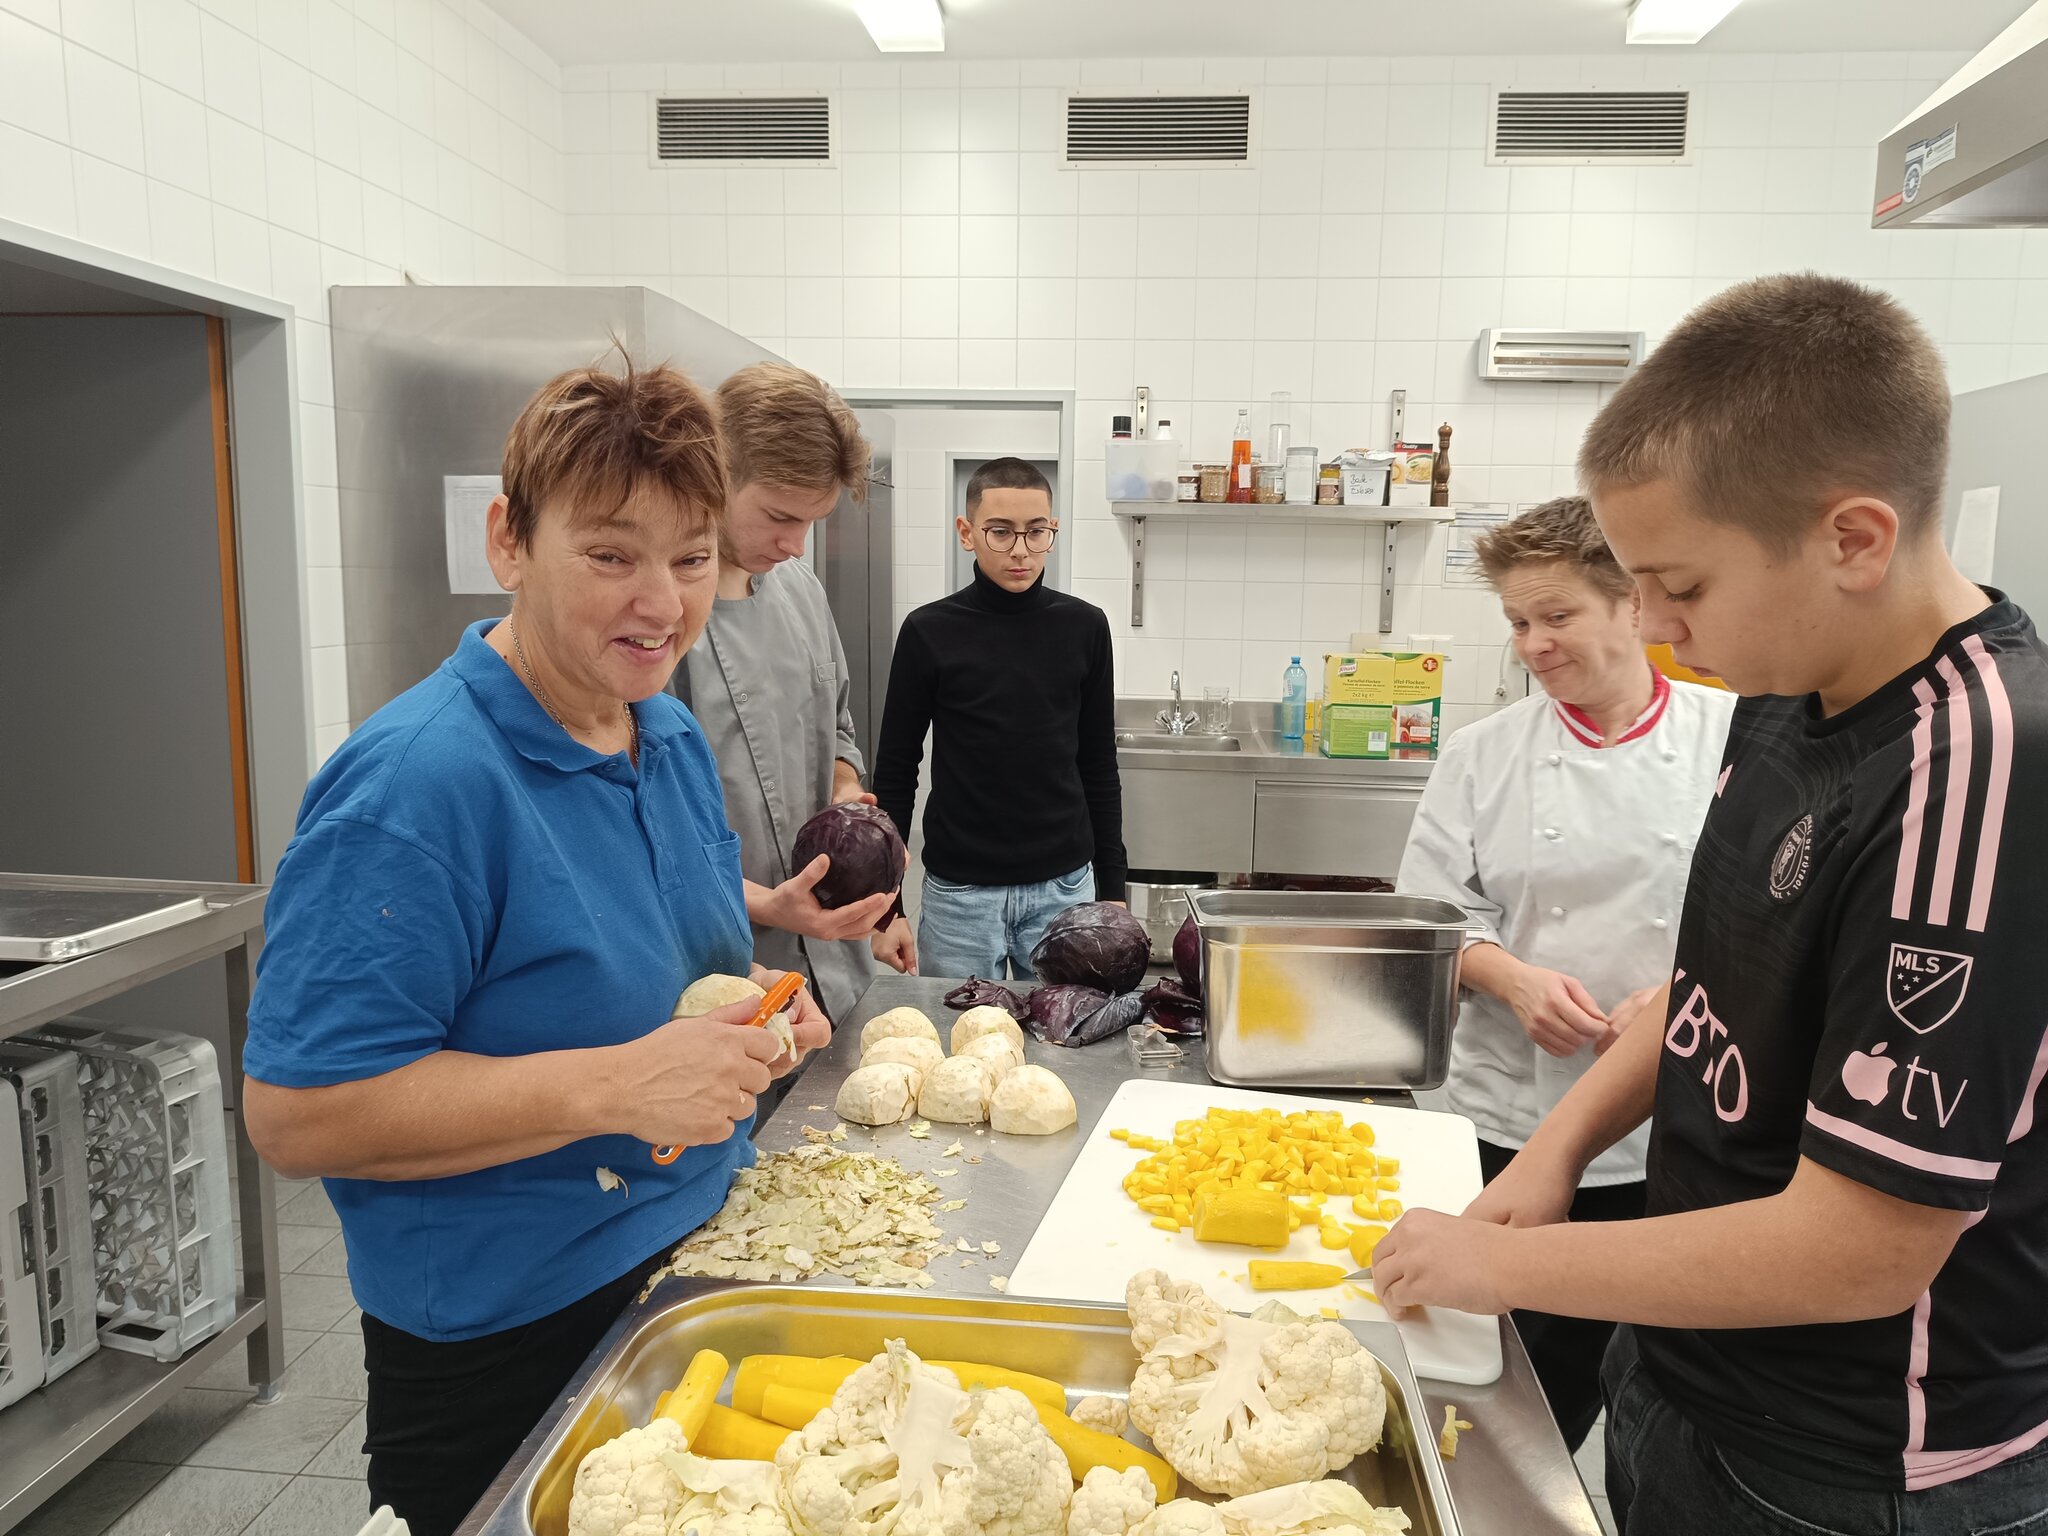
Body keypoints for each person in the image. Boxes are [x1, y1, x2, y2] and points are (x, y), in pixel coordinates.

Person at [1373, 274, 2048, 1534]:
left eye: (1677, 586)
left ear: (1850, 539)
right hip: (1687, 1371)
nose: (1660, 629)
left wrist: (1508, 1265)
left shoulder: (1980, 767)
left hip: (1848, 1467)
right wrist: (1561, 1151)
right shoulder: (1785, 702)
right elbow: (1713, 991)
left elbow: (1864, 1249)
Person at [240, 358, 830, 1536]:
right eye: (610, 555)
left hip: (681, 1265)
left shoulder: (656, 731)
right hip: (505, 1338)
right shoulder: (418, 787)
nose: (660, 601)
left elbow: (651, 966)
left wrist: (761, 1005)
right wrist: (623, 1084)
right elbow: (298, 1115)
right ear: (509, 540)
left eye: (691, 557)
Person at [1395, 494, 1735, 1453]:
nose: (1533, 645)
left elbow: (1764, 925)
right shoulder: (1483, 754)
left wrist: (1675, 998)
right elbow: (1431, 917)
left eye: (1556, 616)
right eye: (1516, 622)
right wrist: (1512, 980)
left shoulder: (1735, 735)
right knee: (1489, 1369)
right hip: (1508, 1115)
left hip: (1674, 1122)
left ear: (1631, 605)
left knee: (1628, 1371)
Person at [673, 362, 914, 1031]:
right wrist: (767, 904)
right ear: (714, 471)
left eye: (812, 521)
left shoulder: (800, 589)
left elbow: (837, 730)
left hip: (837, 974)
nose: (794, 544)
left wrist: (848, 811)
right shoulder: (658, 623)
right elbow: (634, 837)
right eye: (779, 516)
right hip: (721, 979)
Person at [873, 457, 1127, 978]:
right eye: (1000, 532)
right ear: (967, 533)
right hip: (958, 895)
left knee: (1066, 1050)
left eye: (1037, 533)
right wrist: (888, 904)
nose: (1020, 551)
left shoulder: (1085, 627)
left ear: (1052, 529)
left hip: (1064, 890)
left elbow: (1099, 763)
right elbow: (896, 772)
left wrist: (1113, 892)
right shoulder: (928, 632)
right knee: (957, 1048)